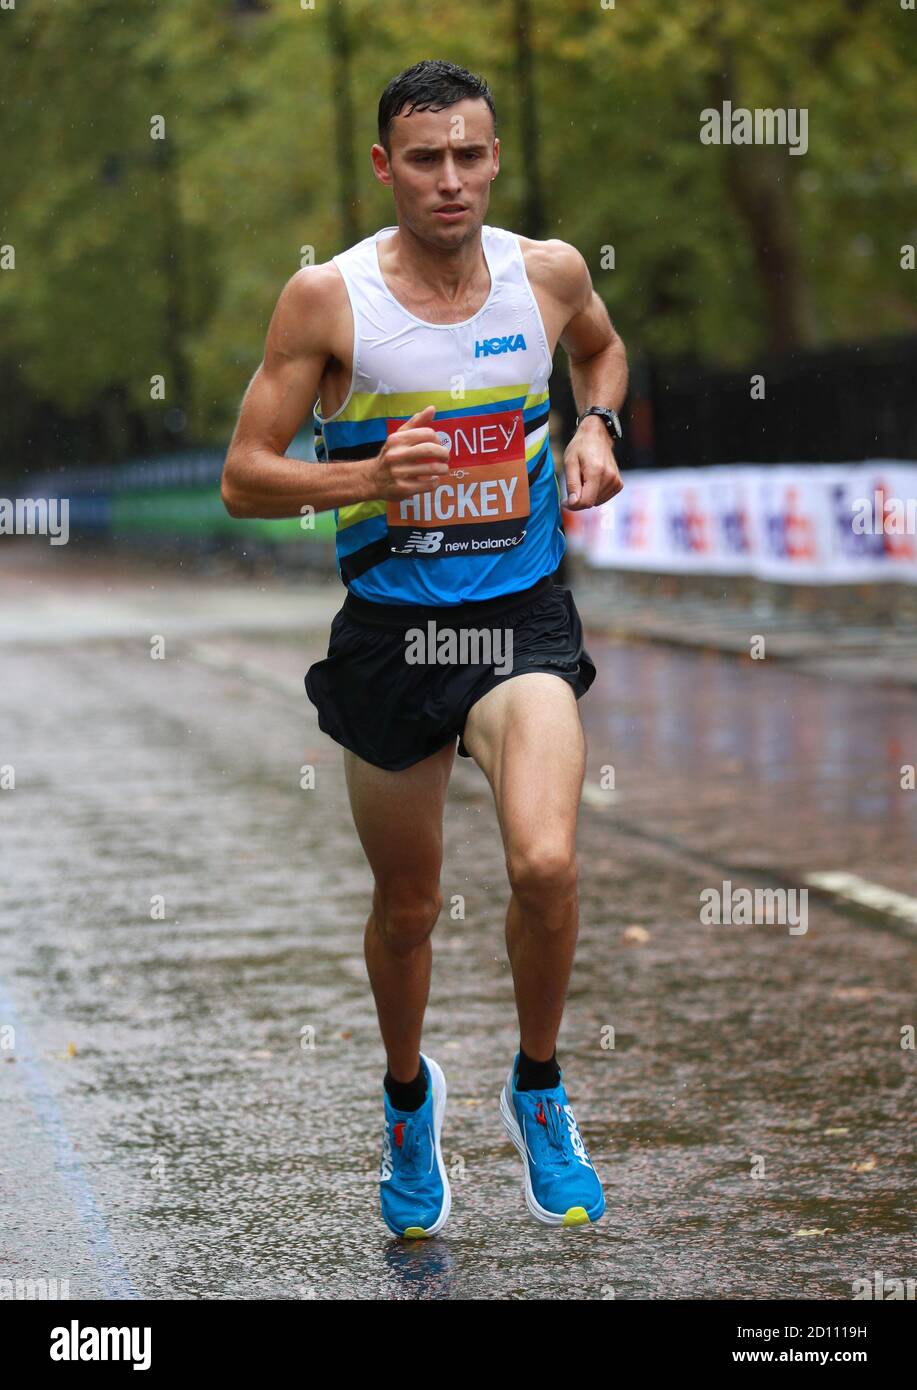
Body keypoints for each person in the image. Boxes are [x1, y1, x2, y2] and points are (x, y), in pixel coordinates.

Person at [221, 59, 627, 1236]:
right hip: (393, 637)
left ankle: (538, 1087)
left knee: (543, 862)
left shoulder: (544, 274)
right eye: (424, 157)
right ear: (383, 165)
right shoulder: (326, 299)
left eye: (469, 155)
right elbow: (244, 476)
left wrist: (593, 426)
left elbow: (601, 354)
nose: (449, 179)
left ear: (493, 158)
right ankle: (408, 1100)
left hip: (521, 619)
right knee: (409, 907)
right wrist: (364, 475)